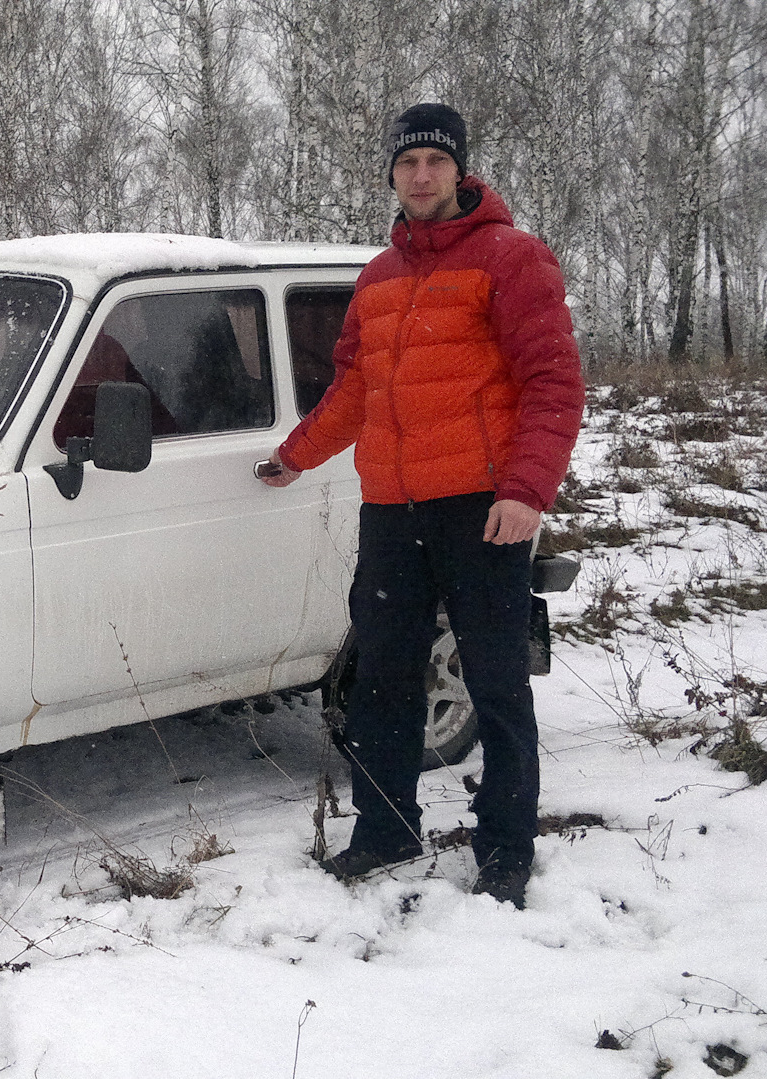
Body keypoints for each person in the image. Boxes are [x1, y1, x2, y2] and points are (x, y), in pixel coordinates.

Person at [260, 102, 584, 909]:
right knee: (382, 678)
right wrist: (295, 455)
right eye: (408, 162)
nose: (421, 174)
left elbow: (553, 383)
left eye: (436, 160)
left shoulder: (511, 258)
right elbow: (355, 390)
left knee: (495, 682)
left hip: (481, 507)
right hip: (393, 508)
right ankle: (386, 828)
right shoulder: (378, 277)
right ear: (393, 174)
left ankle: (505, 847)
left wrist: (526, 491)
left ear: (460, 170)